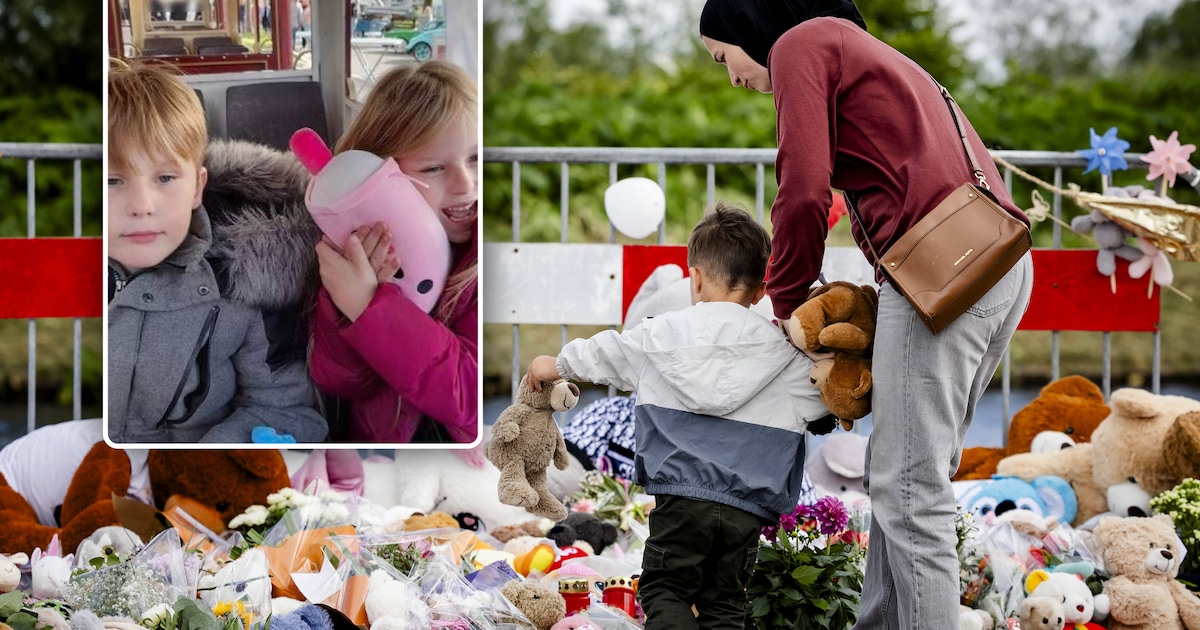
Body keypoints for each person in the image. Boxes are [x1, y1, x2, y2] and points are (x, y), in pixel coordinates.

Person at [698, 2, 1035, 628]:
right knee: (905, 480)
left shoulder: (799, 44)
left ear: (750, 27)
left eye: (724, 57)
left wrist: (786, 304)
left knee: (909, 492)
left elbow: (802, 191)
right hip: (996, 262)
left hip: (942, 275)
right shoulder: (857, 47)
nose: (732, 77)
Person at [526, 203, 828, 628]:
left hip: (680, 499)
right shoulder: (785, 353)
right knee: (725, 602)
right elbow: (823, 398)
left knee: (665, 589)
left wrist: (555, 364)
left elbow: (607, 353)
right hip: (746, 508)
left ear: (696, 278)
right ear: (762, 290)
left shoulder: (661, 334)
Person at [107, 61, 328, 444]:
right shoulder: (55, 280)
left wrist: (207, 457)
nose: (142, 205)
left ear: (197, 187)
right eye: (112, 180)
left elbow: (285, 410)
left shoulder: (246, 279)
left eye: (165, 178)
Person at [309, 61, 479, 444]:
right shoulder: (357, 252)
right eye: (433, 168)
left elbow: (469, 395)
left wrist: (371, 308)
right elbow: (340, 382)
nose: (466, 184)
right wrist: (346, 305)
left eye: (476, 158)